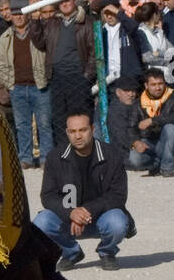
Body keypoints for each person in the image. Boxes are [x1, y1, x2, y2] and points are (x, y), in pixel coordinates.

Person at [35, 110, 133, 271]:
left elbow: (118, 195)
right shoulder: (55, 157)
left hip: (102, 217)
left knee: (118, 223)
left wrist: (86, 210)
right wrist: (71, 213)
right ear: (67, 133)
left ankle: (107, 252)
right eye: (72, 131)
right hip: (68, 219)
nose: (78, 136)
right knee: (40, 223)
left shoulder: (111, 154)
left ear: (92, 130)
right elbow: (48, 196)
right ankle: (70, 252)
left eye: (83, 130)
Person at [0, 0, 50, 167]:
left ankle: (46, 158)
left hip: (39, 85)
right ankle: (25, 158)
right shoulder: (5, 37)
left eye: (22, 13)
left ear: (27, 15)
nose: (19, 17)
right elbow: (0, 62)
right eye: (15, 14)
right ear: (10, 16)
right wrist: (9, 84)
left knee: (45, 124)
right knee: (22, 125)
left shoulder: (38, 31)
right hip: (17, 87)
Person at [40, 0, 94, 148]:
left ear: (75, 0)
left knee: (80, 116)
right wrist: (35, 22)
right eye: (61, 1)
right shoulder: (52, 23)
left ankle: (83, 149)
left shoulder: (86, 22)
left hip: (78, 77)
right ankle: (64, 151)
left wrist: (87, 76)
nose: (64, 4)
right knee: (58, 118)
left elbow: (93, 51)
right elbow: (40, 43)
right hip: (57, 77)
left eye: (67, 0)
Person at [128, 67, 174, 176]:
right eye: (153, 85)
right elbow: (131, 127)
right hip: (148, 142)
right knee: (134, 159)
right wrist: (135, 142)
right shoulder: (138, 103)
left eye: (160, 84)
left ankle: (167, 168)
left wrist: (153, 120)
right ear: (146, 86)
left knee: (170, 128)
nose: (158, 88)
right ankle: (156, 165)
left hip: (168, 141)